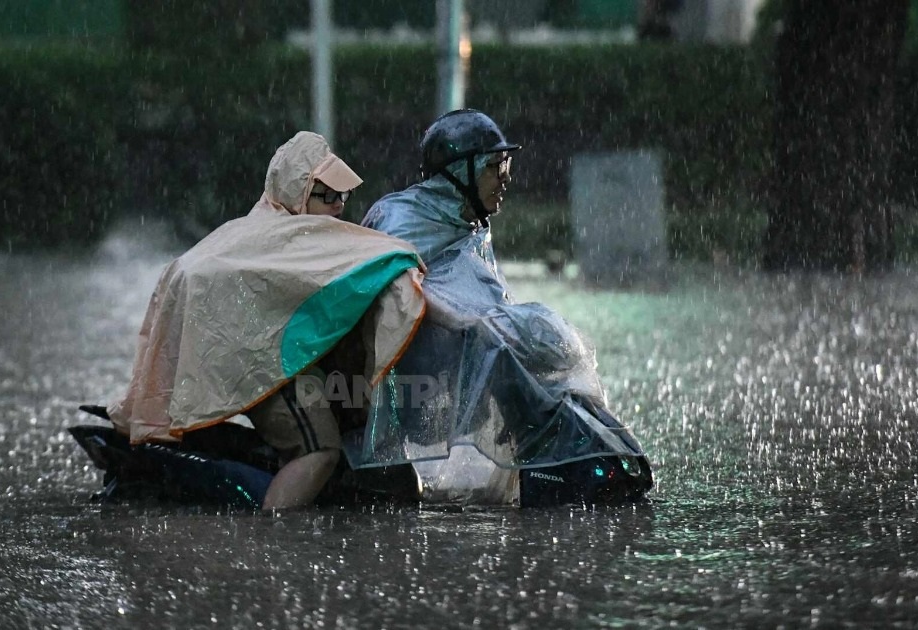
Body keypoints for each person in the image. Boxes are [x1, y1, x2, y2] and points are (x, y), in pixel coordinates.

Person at [107, 131, 426, 511]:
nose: (339, 206)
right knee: (319, 451)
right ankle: (270, 536)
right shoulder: (286, 236)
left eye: (342, 195)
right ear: (297, 191)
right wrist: (406, 256)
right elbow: (381, 253)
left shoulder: (270, 233)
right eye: (327, 195)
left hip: (261, 356)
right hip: (260, 360)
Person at [358, 110, 652, 501]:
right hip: (413, 381)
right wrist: (463, 320)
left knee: (539, 341)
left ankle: (583, 452)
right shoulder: (399, 218)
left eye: (506, 164)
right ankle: (554, 461)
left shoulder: (469, 222)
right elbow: (390, 282)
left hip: (464, 362)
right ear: (459, 172)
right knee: (501, 347)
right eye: (495, 167)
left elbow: (480, 295)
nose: (506, 178)